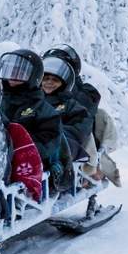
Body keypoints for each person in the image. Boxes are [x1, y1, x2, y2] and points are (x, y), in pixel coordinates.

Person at [0, 50, 64, 180]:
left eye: (20, 73)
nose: (13, 76)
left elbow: (48, 143)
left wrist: (16, 147)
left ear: (33, 77)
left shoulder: (44, 110)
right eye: (11, 71)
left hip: (26, 166)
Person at [40, 52, 94, 190]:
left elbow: (81, 128)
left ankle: (58, 178)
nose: (49, 82)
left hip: (65, 143)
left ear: (63, 83)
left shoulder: (71, 105)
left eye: (55, 80)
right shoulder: (34, 102)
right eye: (46, 78)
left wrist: (57, 131)